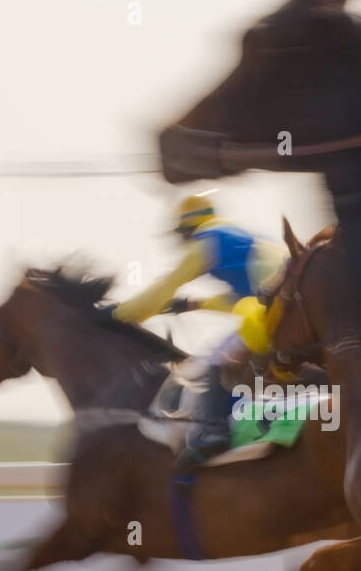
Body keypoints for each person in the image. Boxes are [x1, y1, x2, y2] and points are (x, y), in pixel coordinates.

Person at [104, 192, 286, 471]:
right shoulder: (236, 236)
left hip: (274, 316)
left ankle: (214, 432)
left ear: (189, 229)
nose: (182, 243)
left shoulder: (206, 242)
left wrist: (117, 315)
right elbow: (245, 300)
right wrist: (192, 304)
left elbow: (160, 290)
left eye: (181, 236)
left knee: (212, 360)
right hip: (291, 310)